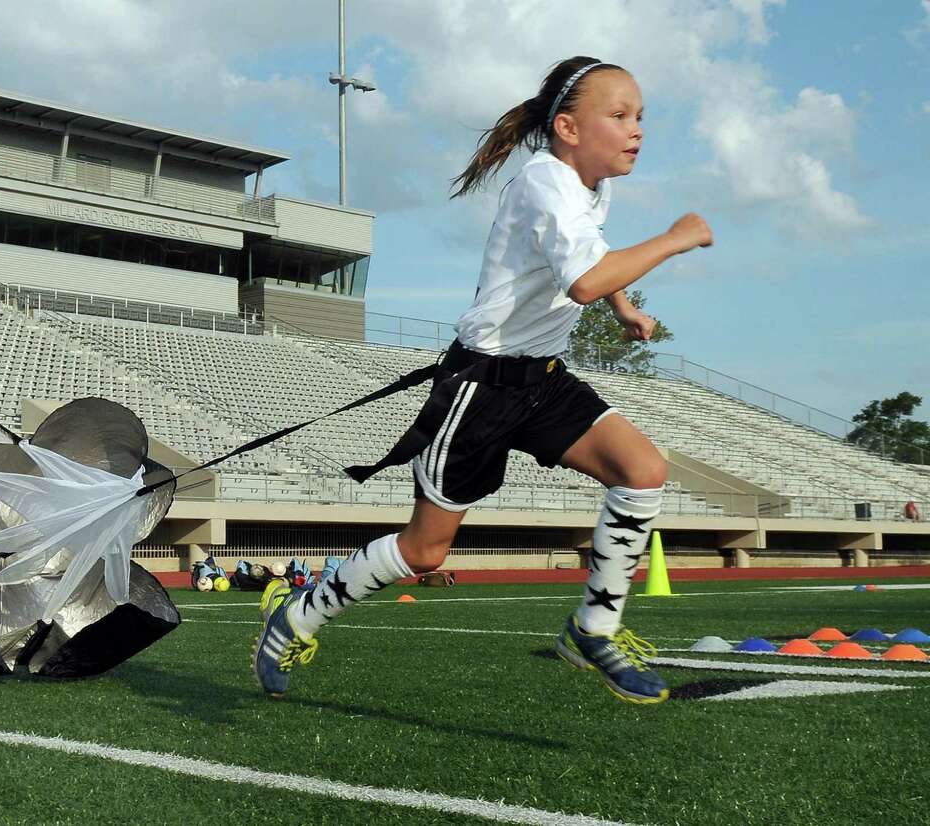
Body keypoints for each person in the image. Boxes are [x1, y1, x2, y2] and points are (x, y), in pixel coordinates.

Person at [254, 56, 712, 705]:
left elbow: (592, 256)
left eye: (640, 117)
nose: (637, 129)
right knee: (424, 553)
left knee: (643, 470)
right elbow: (584, 279)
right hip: (481, 388)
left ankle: (593, 628)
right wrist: (673, 238)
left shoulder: (589, 187)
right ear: (568, 128)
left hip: (543, 380)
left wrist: (624, 306)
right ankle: (295, 618)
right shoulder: (544, 182)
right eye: (620, 115)